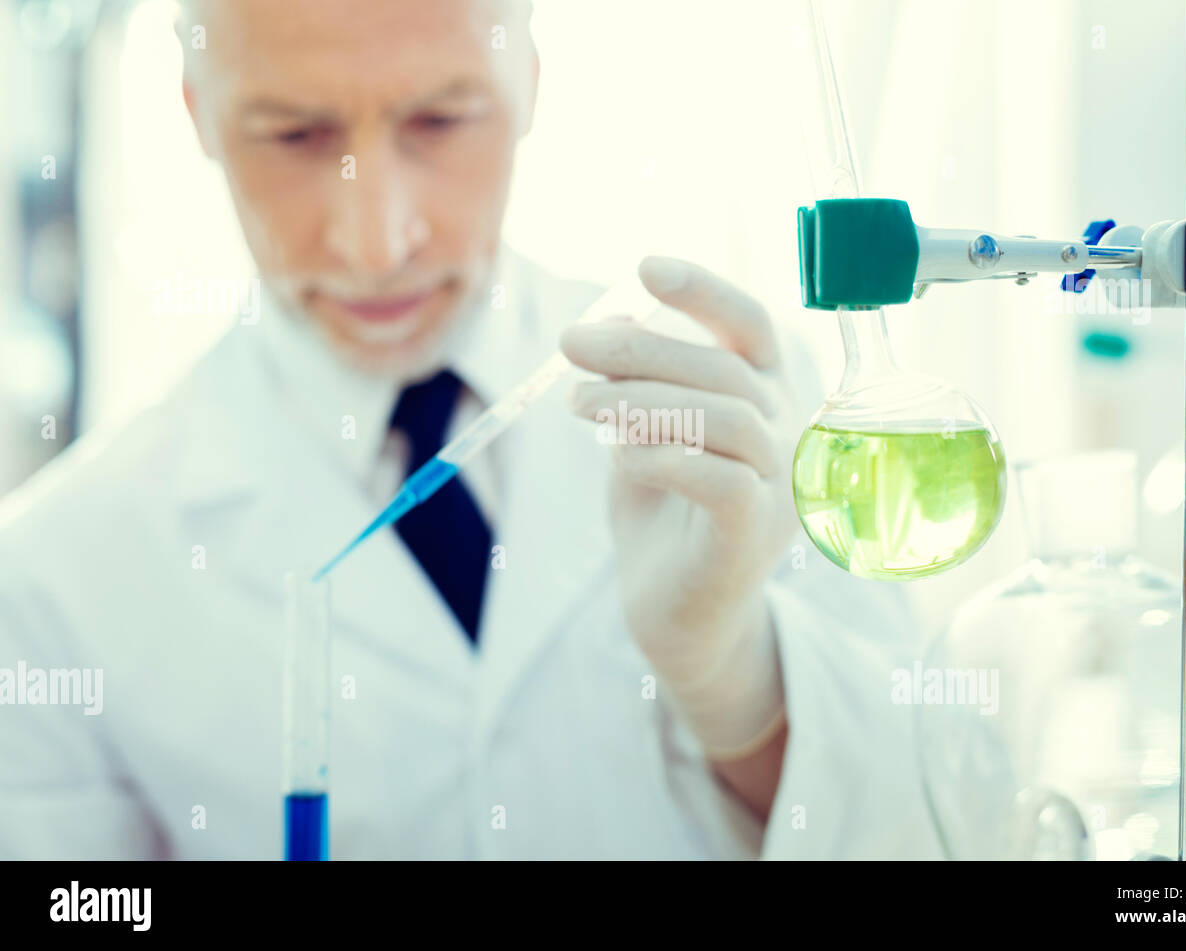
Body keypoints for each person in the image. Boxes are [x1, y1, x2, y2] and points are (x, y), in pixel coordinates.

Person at [0, 0, 940, 859]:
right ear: (197, 111)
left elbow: (946, 826)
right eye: (294, 133)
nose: (378, 240)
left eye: (441, 120)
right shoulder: (53, 577)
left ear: (529, 80)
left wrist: (740, 686)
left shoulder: (739, 417)